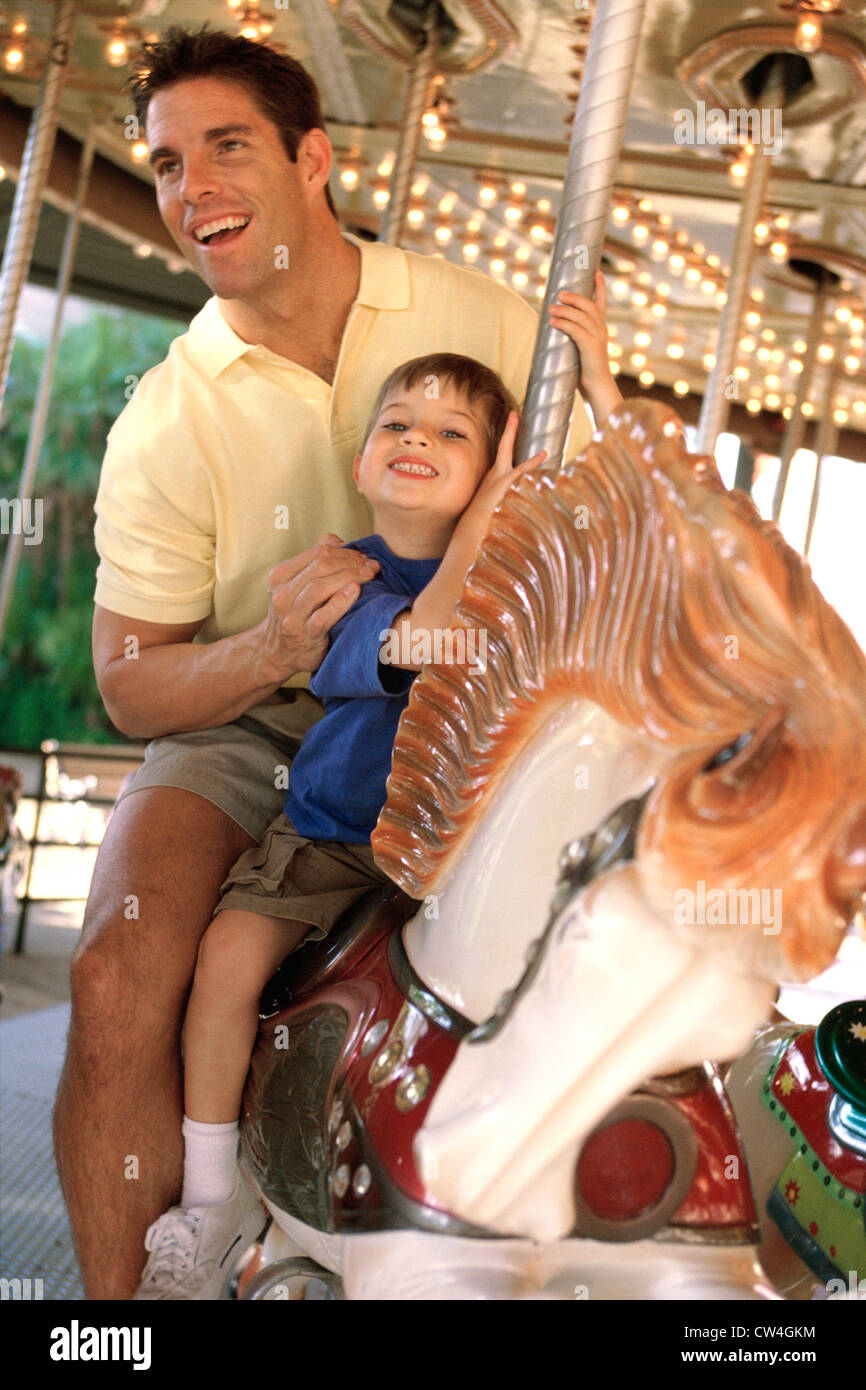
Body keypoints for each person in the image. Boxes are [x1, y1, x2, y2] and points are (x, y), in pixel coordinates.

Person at [53, 24, 622, 1299]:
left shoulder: (481, 318)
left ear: (312, 158)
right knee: (120, 966)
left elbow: (592, 507)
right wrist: (269, 645)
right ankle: (128, 1312)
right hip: (255, 722)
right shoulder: (168, 410)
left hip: (468, 704)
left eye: (225, 147)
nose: (190, 186)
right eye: (162, 163)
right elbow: (133, 682)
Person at [132, 351, 548, 1298]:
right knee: (230, 959)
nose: (416, 440)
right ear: (360, 462)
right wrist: (486, 519)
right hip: (334, 837)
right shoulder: (339, 579)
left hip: (454, 855)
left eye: (452, 434)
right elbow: (431, 637)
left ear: (492, 467)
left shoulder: (519, 581)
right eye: (396, 424)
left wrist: (593, 391)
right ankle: (211, 1195)